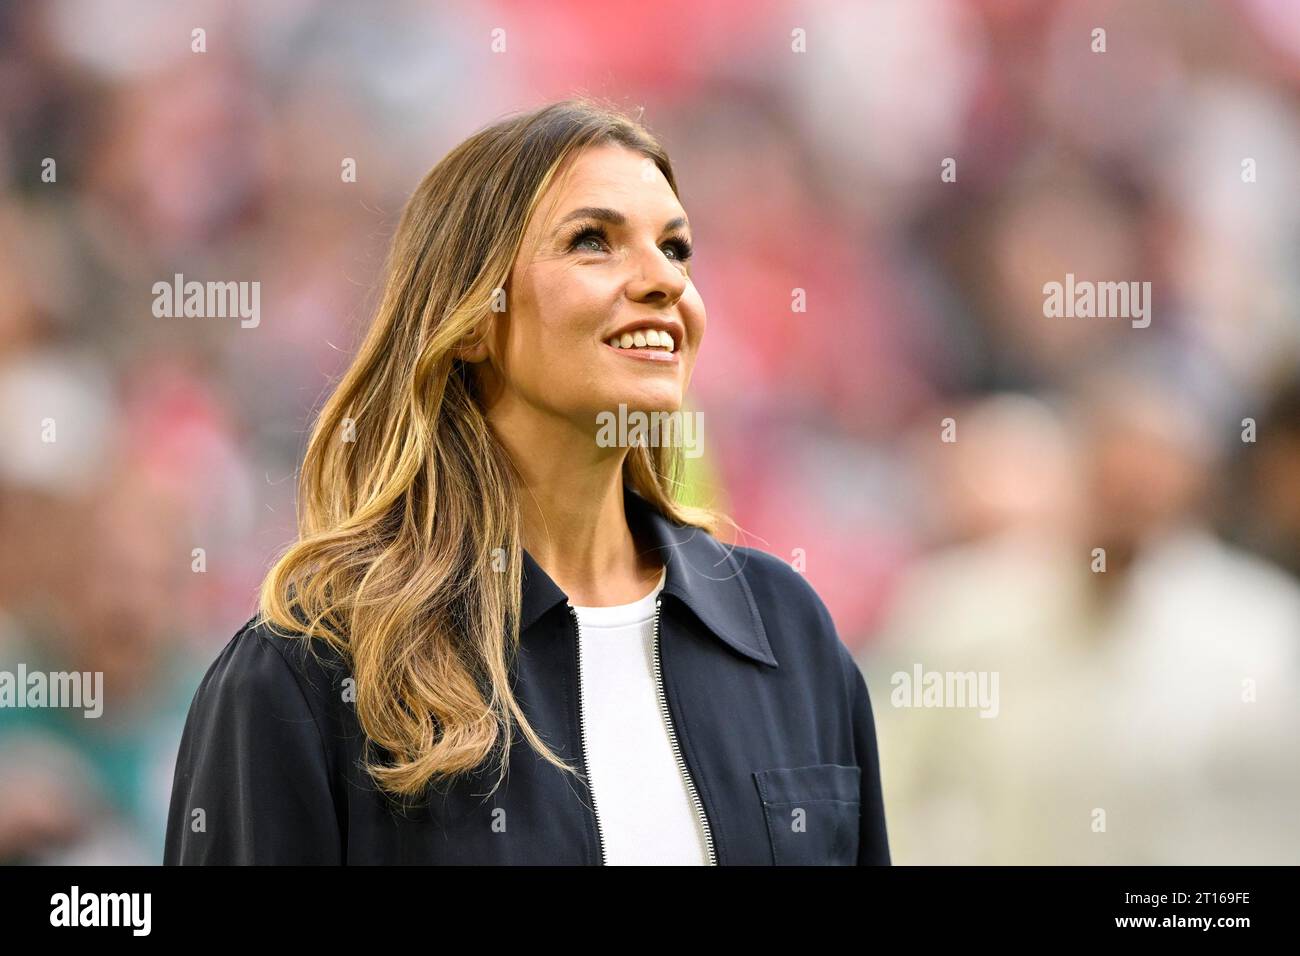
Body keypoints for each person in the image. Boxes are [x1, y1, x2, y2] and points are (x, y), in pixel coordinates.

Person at [163, 98, 889, 865]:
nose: (662, 282)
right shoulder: (307, 672)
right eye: (592, 242)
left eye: (676, 249)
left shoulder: (787, 632)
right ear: (472, 317)